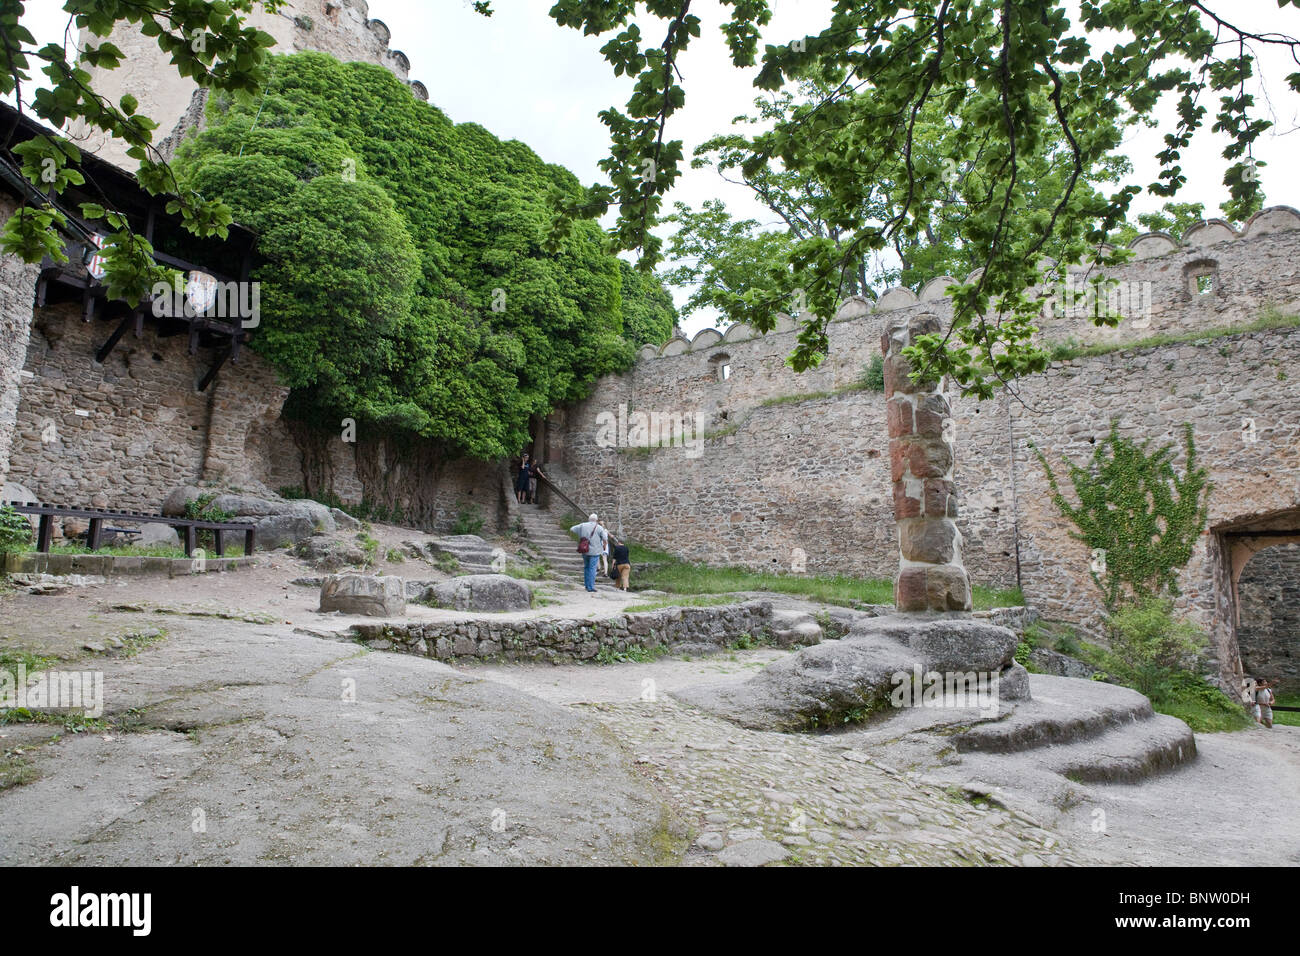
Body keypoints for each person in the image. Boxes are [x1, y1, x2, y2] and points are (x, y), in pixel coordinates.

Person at [570, 513, 607, 592]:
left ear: (589, 519)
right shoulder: (599, 527)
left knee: (586, 567)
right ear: (596, 520)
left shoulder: (583, 525)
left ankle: (587, 585)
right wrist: (604, 545)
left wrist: (581, 535)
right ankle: (591, 587)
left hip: (585, 550)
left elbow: (572, 529)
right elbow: (605, 538)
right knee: (592, 568)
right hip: (595, 551)